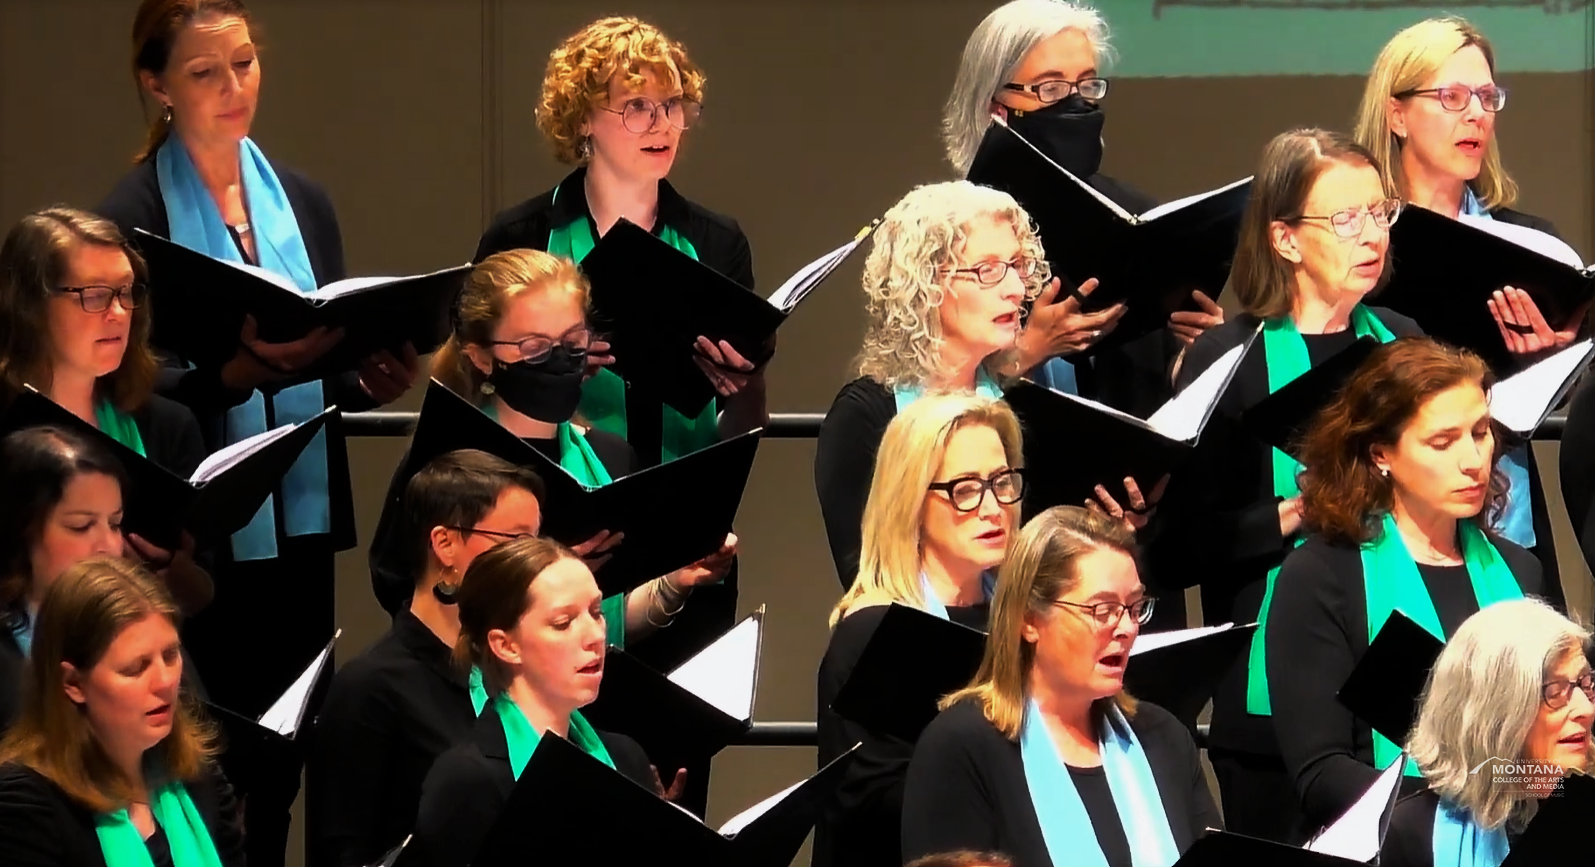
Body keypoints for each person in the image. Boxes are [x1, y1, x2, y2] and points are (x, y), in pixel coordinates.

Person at [95, 4, 420, 863]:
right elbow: (122, 380)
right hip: (201, 526)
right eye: (206, 73)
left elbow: (320, 341)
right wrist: (226, 379)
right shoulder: (132, 215)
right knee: (210, 761)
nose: (235, 87)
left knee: (285, 757)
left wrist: (366, 378)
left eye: (244, 63)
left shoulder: (299, 199)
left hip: (300, 518)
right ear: (156, 84)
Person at [1144, 127, 1421, 843]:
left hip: (1400, 684)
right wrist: (1301, 507)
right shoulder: (1229, 357)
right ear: (1286, 239)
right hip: (1273, 708)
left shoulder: (1402, 343)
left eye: (1378, 213)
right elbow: (1176, 548)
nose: (1371, 237)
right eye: (1345, 219)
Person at [815, 180, 1161, 593]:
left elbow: (1044, 589)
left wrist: (1105, 537)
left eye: (1018, 267)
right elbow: (868, 587)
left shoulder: (1024, 414)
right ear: (927, 285)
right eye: (989, 271)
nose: (1017, 290)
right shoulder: (866, 417)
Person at [1264, 337, 1544, 836]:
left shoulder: (1520, 571)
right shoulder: (1323, 578)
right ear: (1380, 455)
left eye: (1480, 433)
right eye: (1442, 442)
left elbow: (1551, 755)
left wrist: (1526, 783)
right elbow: (1321, 771)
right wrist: (1461, 807)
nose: (1473, 460)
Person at [473, 15, 769, 469]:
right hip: (550, 502)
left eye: (672, 104)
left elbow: (740, 424)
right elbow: (474, 384)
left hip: (681, 498)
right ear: (583, 119)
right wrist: (554, 367)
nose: (663, 125)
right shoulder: (523, 235)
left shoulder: (717, 240)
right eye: (636, 106)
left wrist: (746, 384)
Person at [1353, 15, 1575, 608]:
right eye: (1451, 97)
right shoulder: (1357, 245)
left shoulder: (1531, 247)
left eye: (1486, 97)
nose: (1475, 114)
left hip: (1507, 523)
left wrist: (1549, 359)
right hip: (1384, 536)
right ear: (1397, 114)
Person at [941, 0, 1226, 415]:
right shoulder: (948, 233)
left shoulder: (1136, 216)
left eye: (1087, 86)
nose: (1074, 105)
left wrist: (1203, 353)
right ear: (995, 109)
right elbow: (918, 396)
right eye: (1050, 89)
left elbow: (1164, 381)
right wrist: (1030, 351)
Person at [901, 506, 1219, 866]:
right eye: (1102, 609)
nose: (1127, 627)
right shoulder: (961, 748)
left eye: (1134, 607)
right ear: (1029, 619)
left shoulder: (1163, 739)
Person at [815, 393, 1025, 867]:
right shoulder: (873, 633)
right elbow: (869, 810)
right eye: (967, 489)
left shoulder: (1028, 618)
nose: (994, 508)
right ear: (911, 503)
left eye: (1002, 482)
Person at [309, 450, 546, 867]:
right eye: (516, 542)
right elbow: (341, 855)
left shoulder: (520, 673)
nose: (534, 564)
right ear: (445, 544)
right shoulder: (370, 688)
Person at [0, 208, 213, 618]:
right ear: (31, 305)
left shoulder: (167, 425)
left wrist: (171, 574)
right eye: (94, 295)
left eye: (126, 291)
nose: (118, 312)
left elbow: (205, 590)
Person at [407, 536, 655, 867]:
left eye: (595, 612)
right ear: (506, 646)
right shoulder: (465, 781)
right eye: (563, 623)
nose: (596, 635)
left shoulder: (626, 759)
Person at [0, 556, 244, 867]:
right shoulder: (23, 807)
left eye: (170, 655)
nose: (166, 681)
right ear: (73, 683)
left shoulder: (201, 778)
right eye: (135, 668)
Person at [0, 427, 209, 733]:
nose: (108, 546)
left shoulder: (143, 619)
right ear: (20, 532)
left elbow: (202, 748)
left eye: (114, 524)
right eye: (81, 526)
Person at [1381, 598, 1592, 867]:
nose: (1585, 709)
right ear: (1495, 713)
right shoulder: (1407, 834)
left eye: (1586, 683)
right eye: (1556, 692)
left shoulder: (1583, 809)